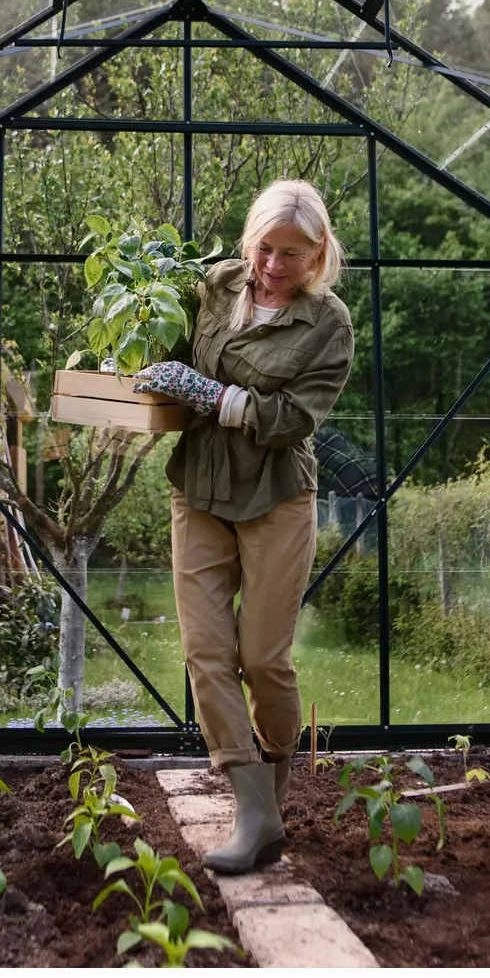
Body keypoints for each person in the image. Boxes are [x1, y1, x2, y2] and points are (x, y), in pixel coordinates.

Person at [133, 179, 354, 874]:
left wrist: (211, 393)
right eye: (265, 247)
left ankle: (276, 779)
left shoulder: (328, 324)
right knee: (206, 652)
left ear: (318, 254)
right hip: (197, 488)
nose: (273, 264)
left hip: (275, 496)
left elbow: (293, 421)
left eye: (293, 253)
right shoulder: (212, 287)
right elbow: (163, 344)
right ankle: (251, 804)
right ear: (248, 240)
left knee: (262, 658)